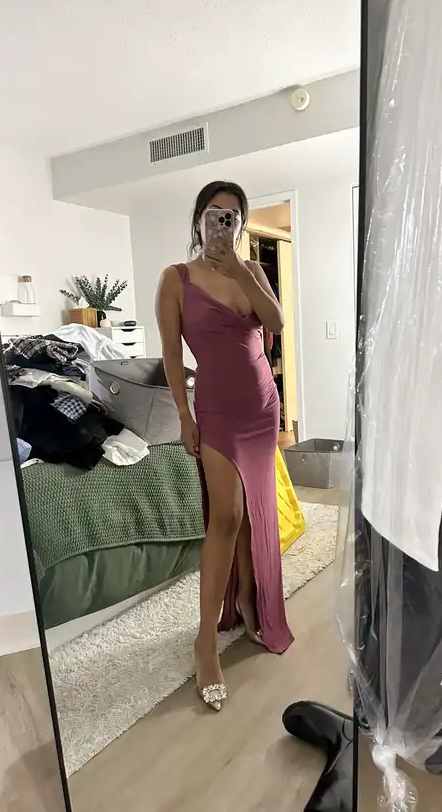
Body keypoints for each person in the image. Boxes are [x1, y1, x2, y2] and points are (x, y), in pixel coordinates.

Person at [155, 181, 294, 712]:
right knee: (227, 516)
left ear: (241, 224)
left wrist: (240, 270)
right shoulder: (176, 279)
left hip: (262, 408)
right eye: (215, 213)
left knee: (256, 514)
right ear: (199, 219)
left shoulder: (252, 270)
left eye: (233, 215)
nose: (223, 222)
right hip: (216, 412)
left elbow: (276, 323)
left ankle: (248, 601)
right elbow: (171, 355)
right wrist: (183, 415)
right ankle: (206, 640)